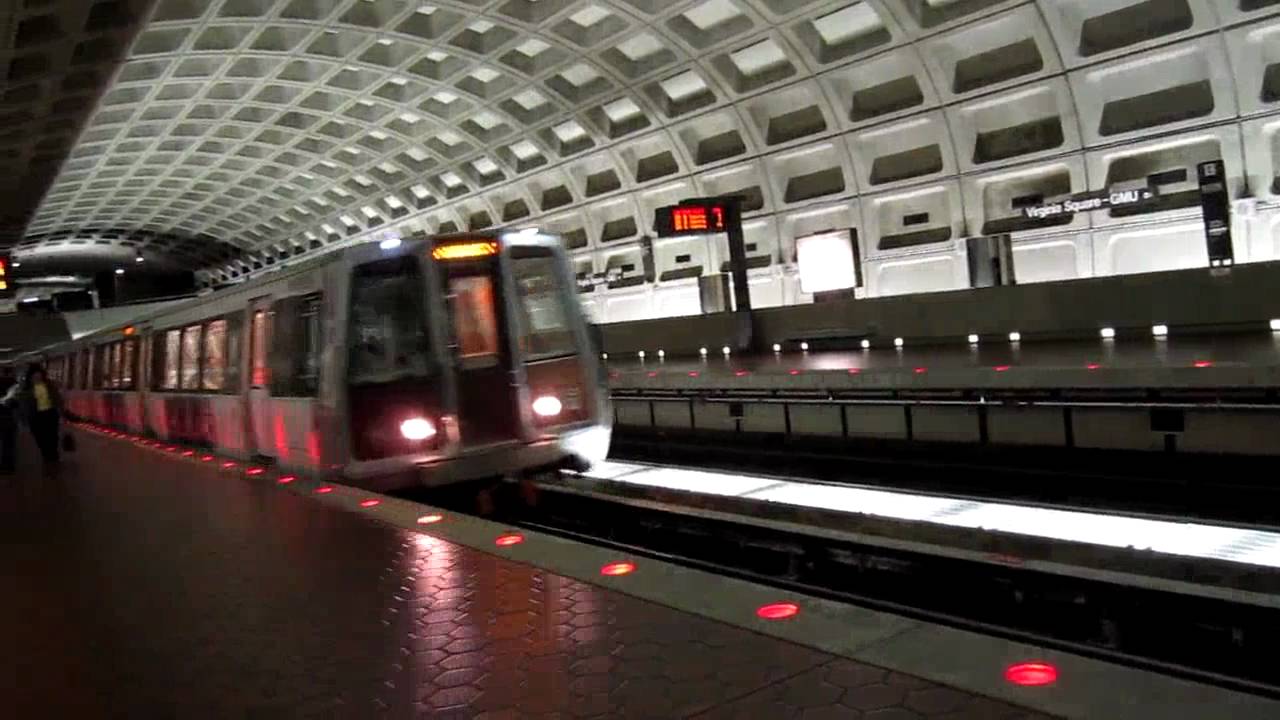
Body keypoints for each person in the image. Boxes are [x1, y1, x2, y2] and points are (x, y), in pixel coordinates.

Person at [5, 363, 64, 471]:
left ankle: (53, 456)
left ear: (42, 375)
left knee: (52, 436)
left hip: (50, 413)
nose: (37, 377)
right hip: (35, 416)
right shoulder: (26, 388)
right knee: (40, 437)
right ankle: (46, 454)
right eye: (35, 375)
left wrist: (61, 410)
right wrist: (12, 403)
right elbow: (19, 399)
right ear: (30, 376)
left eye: (39, 374)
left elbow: (57, 398)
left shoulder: (49, 385)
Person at [0, 366, 16, 475]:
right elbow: (16, 403)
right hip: (9, 416)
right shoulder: (14, 384)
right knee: (9, 443)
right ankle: (8, 465)